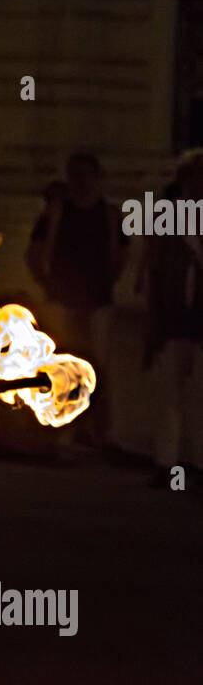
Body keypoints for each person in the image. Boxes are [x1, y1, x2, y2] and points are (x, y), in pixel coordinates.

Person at [26, 152, 124, 445]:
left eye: (85, 175)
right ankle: (67, 427)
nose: (80, 182)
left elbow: (122, 253)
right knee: (64, 364)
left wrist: (109, 282)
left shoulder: (108, 214)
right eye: (75, 175)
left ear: (97, 178)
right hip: (63, 301)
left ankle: (97, 431)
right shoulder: (56, 214)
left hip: (97, 300)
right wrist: (48, 284)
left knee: (98, 366)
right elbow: (33, 254)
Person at [140, 151, 203, 488]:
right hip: (175, 314)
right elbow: (155, 269)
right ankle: (169, 463)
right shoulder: (169, 219)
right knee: (170, 394)